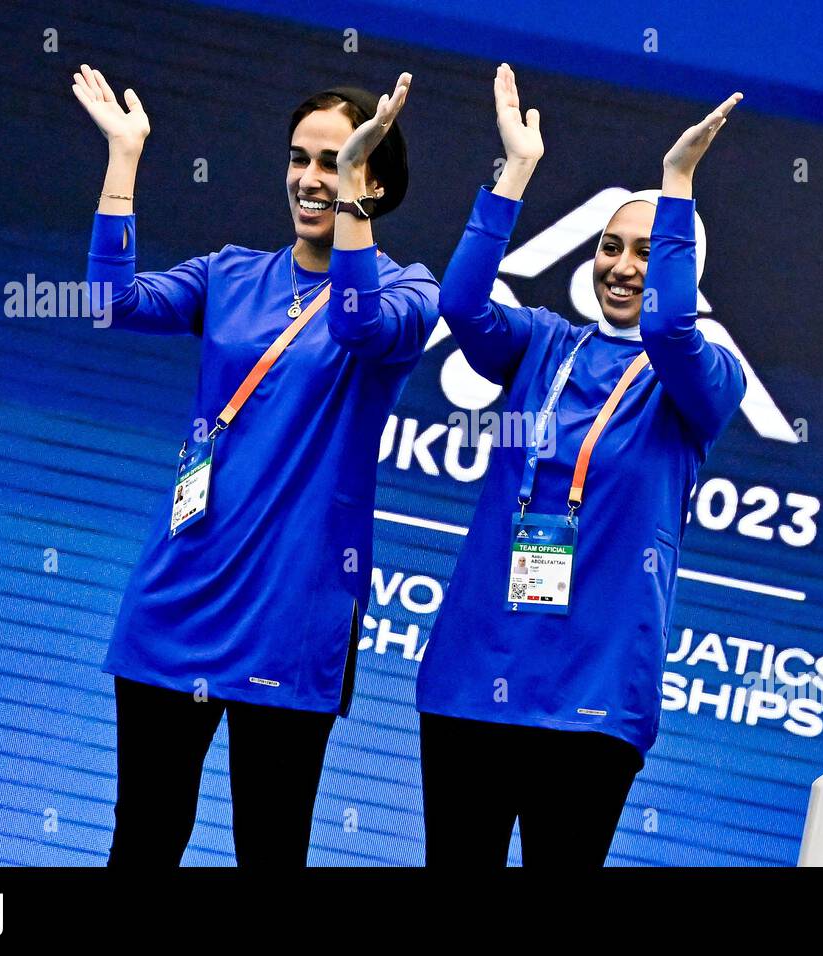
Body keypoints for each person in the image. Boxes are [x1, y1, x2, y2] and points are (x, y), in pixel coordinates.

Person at [72, 65, 438, 867]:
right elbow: (109, 302)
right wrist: (125, 158)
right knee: (143, 839)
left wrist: (348, 209)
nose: (312, 178)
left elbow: (354, 325)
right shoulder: (230, 272)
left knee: (269, 852)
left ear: (374, 182)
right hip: (179, 595)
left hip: (291, 614)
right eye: (301, 159)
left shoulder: (409, 293)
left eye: (338, 162)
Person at [415, 64, 746, 866]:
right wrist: (514, 175)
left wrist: (677, 182)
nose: (622, 266)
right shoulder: (542, 342)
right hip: (472, 677)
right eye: (609, 247)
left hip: (591, 701)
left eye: (646, 251)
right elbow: (460, 305)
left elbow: (670, 331)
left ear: (680, 268)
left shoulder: (701, 379)